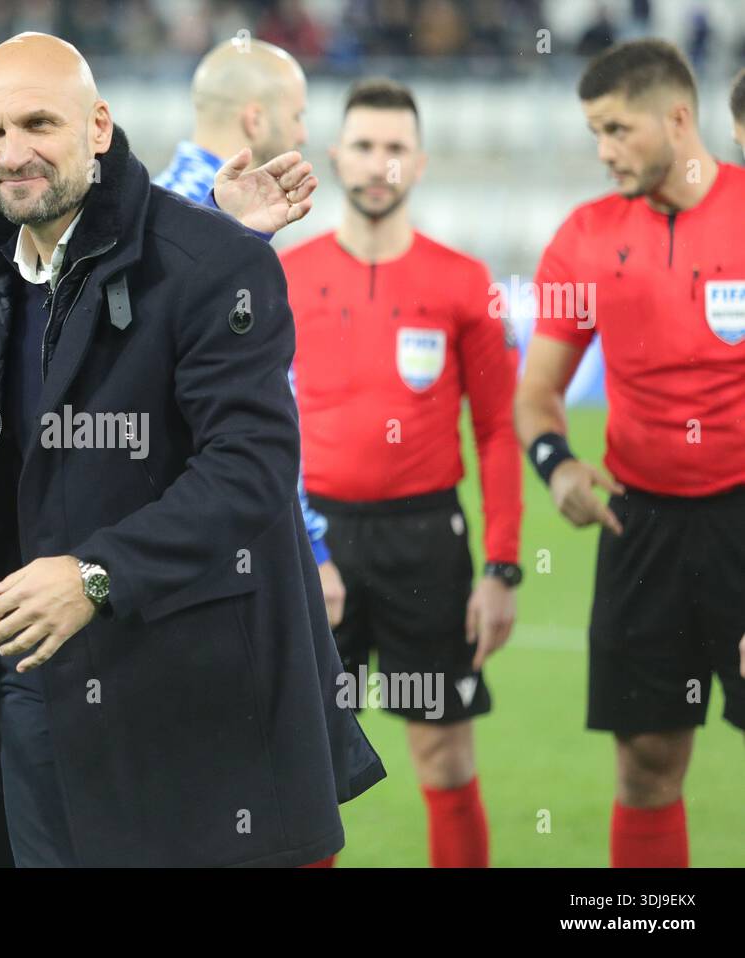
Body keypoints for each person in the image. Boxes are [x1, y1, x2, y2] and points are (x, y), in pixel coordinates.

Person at [0, 32, 385, 868]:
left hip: (197, 708)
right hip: (39, 708)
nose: (12, 153)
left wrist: (95, 575)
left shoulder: (214, 260)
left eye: (40, 122)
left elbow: (248, 472)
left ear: (98, 127)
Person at [515, 39, 745, 868]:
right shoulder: (583, 240)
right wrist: (559, 466)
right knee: (646, 765)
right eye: (593, 133)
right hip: (639, 527)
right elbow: (537, 394)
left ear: (677, 119)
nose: (603, 150)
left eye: (617, 129)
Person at [281, 78, 522, 868]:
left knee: (445, 755)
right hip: (313, 545)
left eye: (393, 148)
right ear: (334, 155)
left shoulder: (462, 281)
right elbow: (253, 429)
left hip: (428, 541)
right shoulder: (283, 274)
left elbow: (494, 430)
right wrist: (299, 548)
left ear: (418, 162)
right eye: (363, 146)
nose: (377, 163)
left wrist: (502, 568)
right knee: (306, 774)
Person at [156, 36, 346, 635]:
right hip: (223, 539)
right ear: (255, 118)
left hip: (159, 535)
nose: (304, 133)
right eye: (297, 114)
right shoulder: (216, 229)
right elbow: (258, 404)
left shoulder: (145, 211)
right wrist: (310, 545)